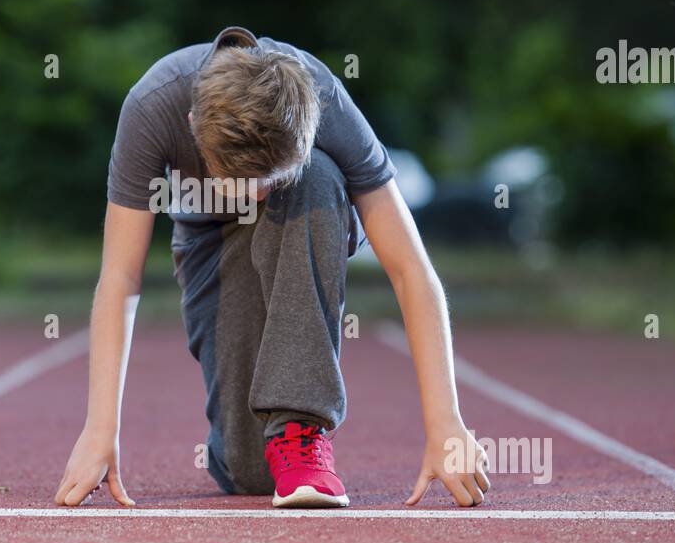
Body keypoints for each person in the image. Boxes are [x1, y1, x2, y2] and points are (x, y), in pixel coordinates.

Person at [54, 26, 490, 508]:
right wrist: (100, 430)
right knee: (253, 475)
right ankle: (249, 442)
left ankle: (301, 429)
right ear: (193, 123)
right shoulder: (152, 107)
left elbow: (410, 267)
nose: (254, 195)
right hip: (210, 242)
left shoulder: (325, 101)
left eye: (266, 181)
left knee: (320, 178)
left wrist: (446, 422)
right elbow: (120, 279)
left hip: (304, 218)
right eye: (239, 181)